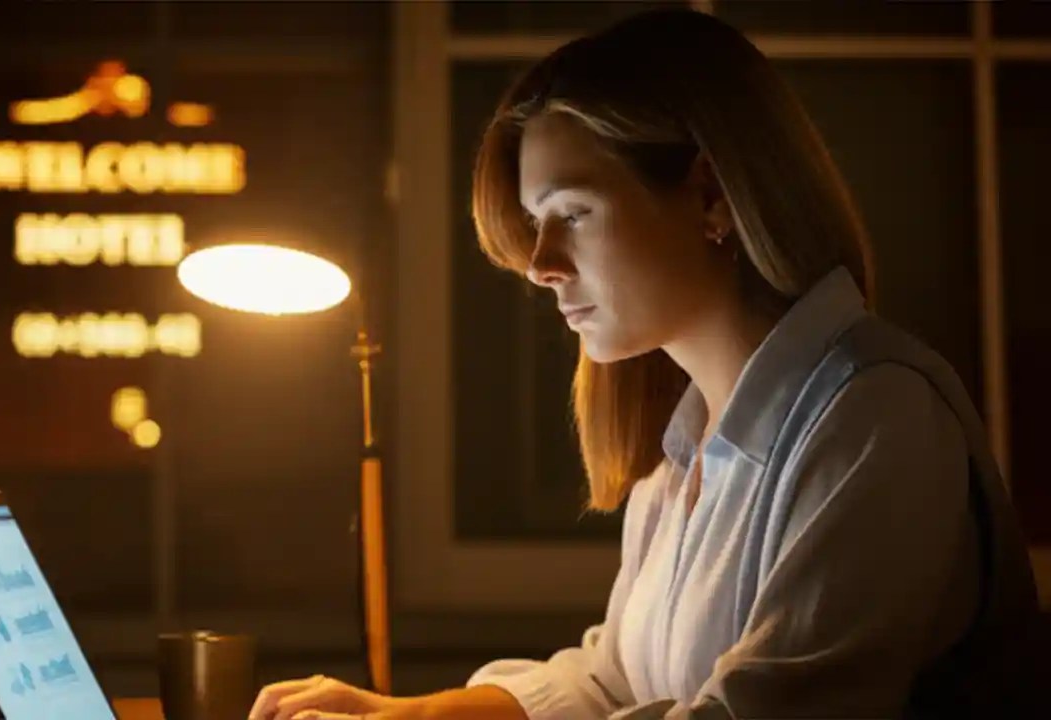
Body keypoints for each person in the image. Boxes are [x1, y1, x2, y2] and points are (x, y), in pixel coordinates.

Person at [248, 9, 1041, 720]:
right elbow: (614, 683)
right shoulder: (688, 445)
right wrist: (413, 716)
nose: (540, 263)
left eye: (573, 213)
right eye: (534, 222)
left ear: (709, 197)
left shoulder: (876, 418)